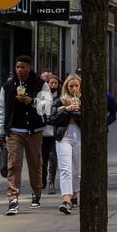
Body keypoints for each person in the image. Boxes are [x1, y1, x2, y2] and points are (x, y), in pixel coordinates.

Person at [0, 56, 47, 216]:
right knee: (14, 164)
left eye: (22, 67)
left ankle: (36, 193)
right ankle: (13, 199)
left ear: (29, 68)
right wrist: (0, 132)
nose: (19, 70)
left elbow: (47, 106)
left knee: (35, 163)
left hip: (34, 130)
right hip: (15, 131)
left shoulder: (40, 84)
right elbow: (2, 110)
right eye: (17, 67)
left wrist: (31, 101)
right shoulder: (8, 86)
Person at [52, 75, 83, 214]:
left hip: (79, 135)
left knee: (77, 171)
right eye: (71, 86)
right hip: (63, 136)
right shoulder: (60, 101)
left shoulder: (84, 100)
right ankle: (66, 199)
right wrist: (66, 109)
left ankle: (76, 194)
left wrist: (78, 112)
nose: (74, 88)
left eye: (76, 85)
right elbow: (51, 119)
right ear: (66, 87)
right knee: (66, 169)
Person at [40, 72, 61, 195]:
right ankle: (42, 179)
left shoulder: (61, 97)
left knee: (53, 158)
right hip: (43, 133)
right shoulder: (42, 96)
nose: (53, 85)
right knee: (42, 159)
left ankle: (51, 183)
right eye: (51, 83)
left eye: (55, 83)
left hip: (55, 132)